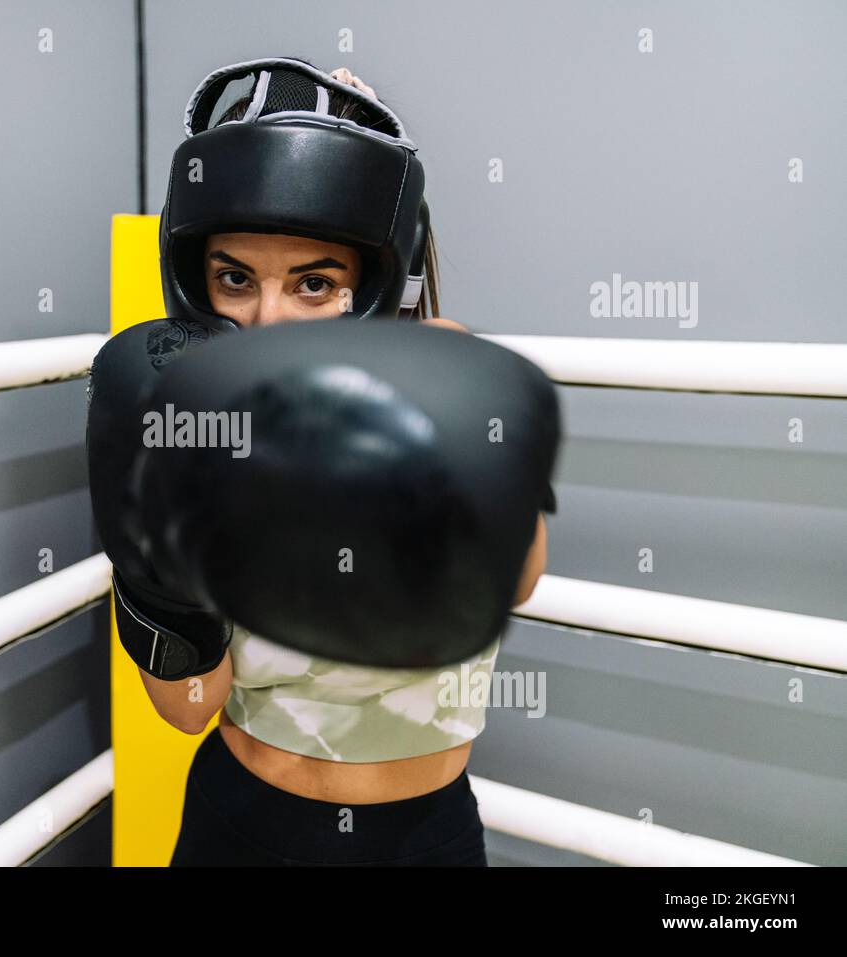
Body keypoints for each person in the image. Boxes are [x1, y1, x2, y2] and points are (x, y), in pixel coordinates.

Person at [86, 57, 558, 866]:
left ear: (376, 279)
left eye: (315, 283)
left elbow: (515, 580)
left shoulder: (447, 375)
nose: (268, 319)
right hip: (240, 823)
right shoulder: (197, 424)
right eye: (235, 278)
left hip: (423, 837)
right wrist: (150, 559)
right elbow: (189, 707)